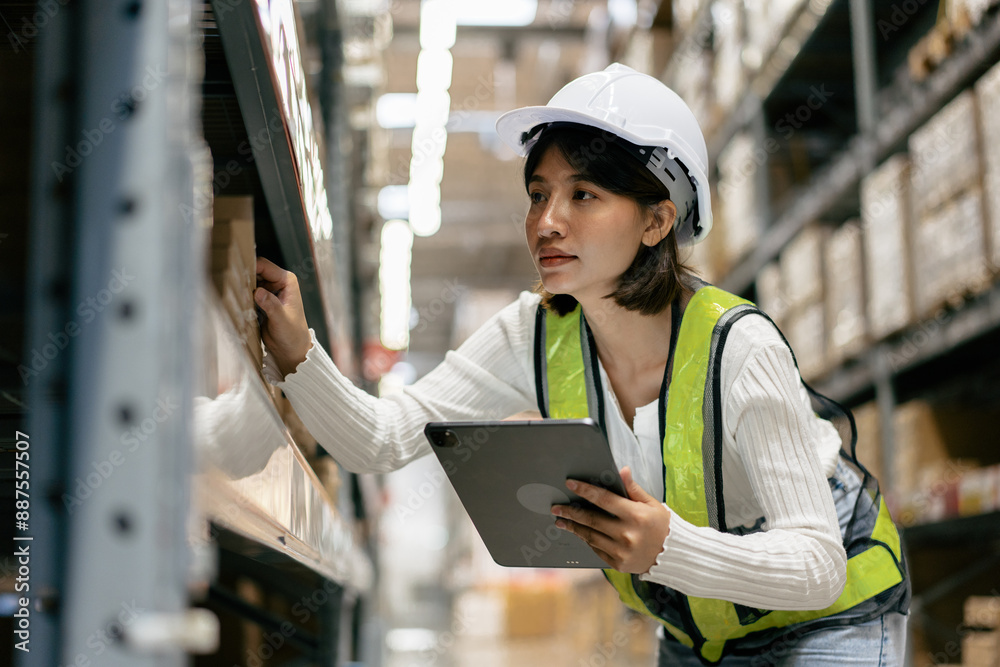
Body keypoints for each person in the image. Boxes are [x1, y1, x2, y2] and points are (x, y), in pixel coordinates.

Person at [253, 63, 909, 665]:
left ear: (656, 221)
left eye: (584, 196)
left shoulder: (739, 349)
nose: (546, 221)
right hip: (697, 634)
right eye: (539, 195)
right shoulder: (533, 332)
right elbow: (380, 437)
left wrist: (668, 547)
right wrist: (296, 353)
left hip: (832, 618)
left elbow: (816, 562)